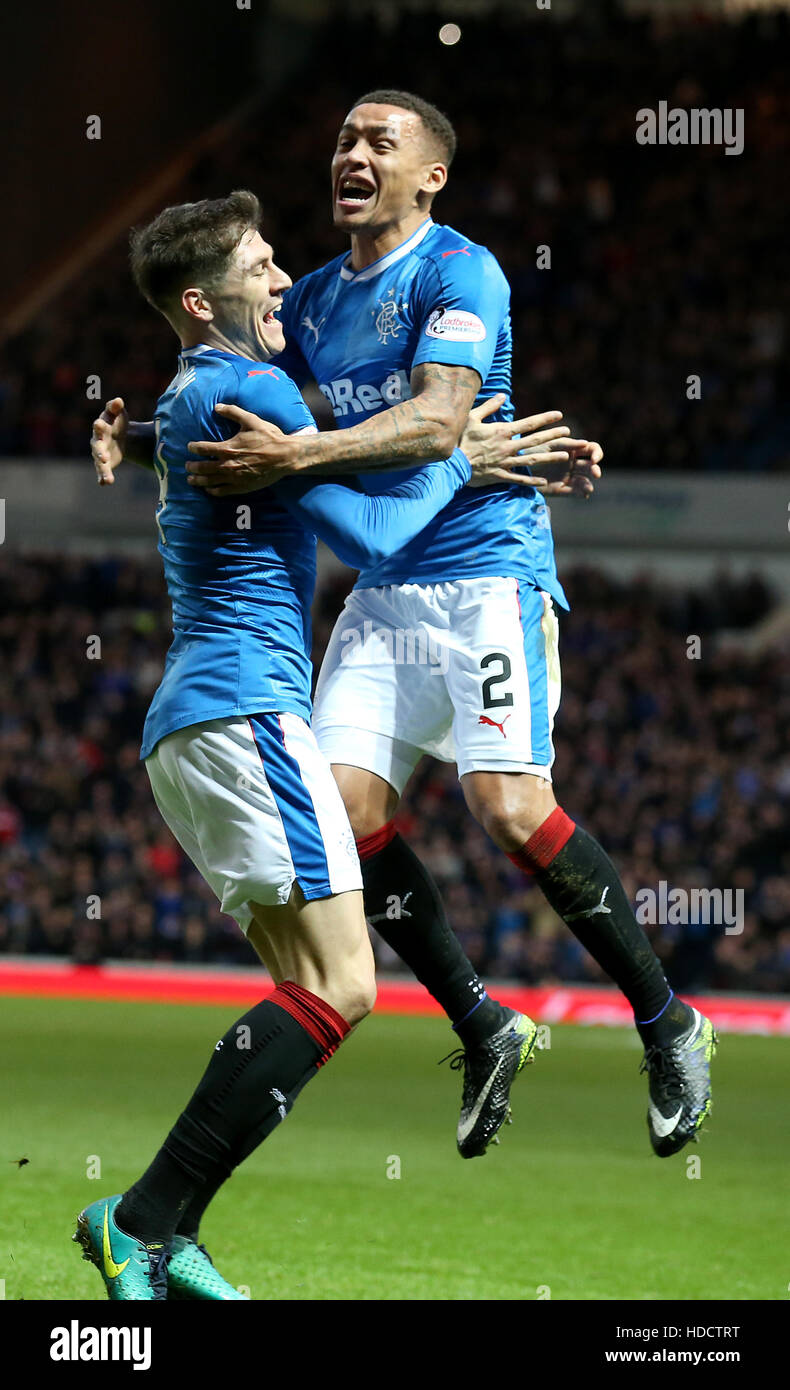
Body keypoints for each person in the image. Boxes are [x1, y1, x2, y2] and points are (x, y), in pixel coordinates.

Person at [184, 92, 716, 1161]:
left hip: (485, 572)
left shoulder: (458, 269)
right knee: (338, 818)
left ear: (429, 174)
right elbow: (244, 386)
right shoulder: (318, 298)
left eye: (381, 141)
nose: (353, 153)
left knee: (508, 807)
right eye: (344, 138)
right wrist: (144, 420)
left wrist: (299, 460)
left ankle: (669, 1024)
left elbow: (437, 420)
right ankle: (482, 1023)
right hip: (385, 584)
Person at [79, 190, 573, 1300]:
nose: (279, 281)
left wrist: (119, 421)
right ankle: (141, 1216)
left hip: (194, 731)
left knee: (303, 988)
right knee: (343, 988)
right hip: (247, 714)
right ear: (205, 299)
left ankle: (171, 1231)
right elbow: (378, 536)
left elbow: (320, 483)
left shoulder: (195, 385)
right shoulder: (250, 384)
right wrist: (461, 452)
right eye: (260, 265)